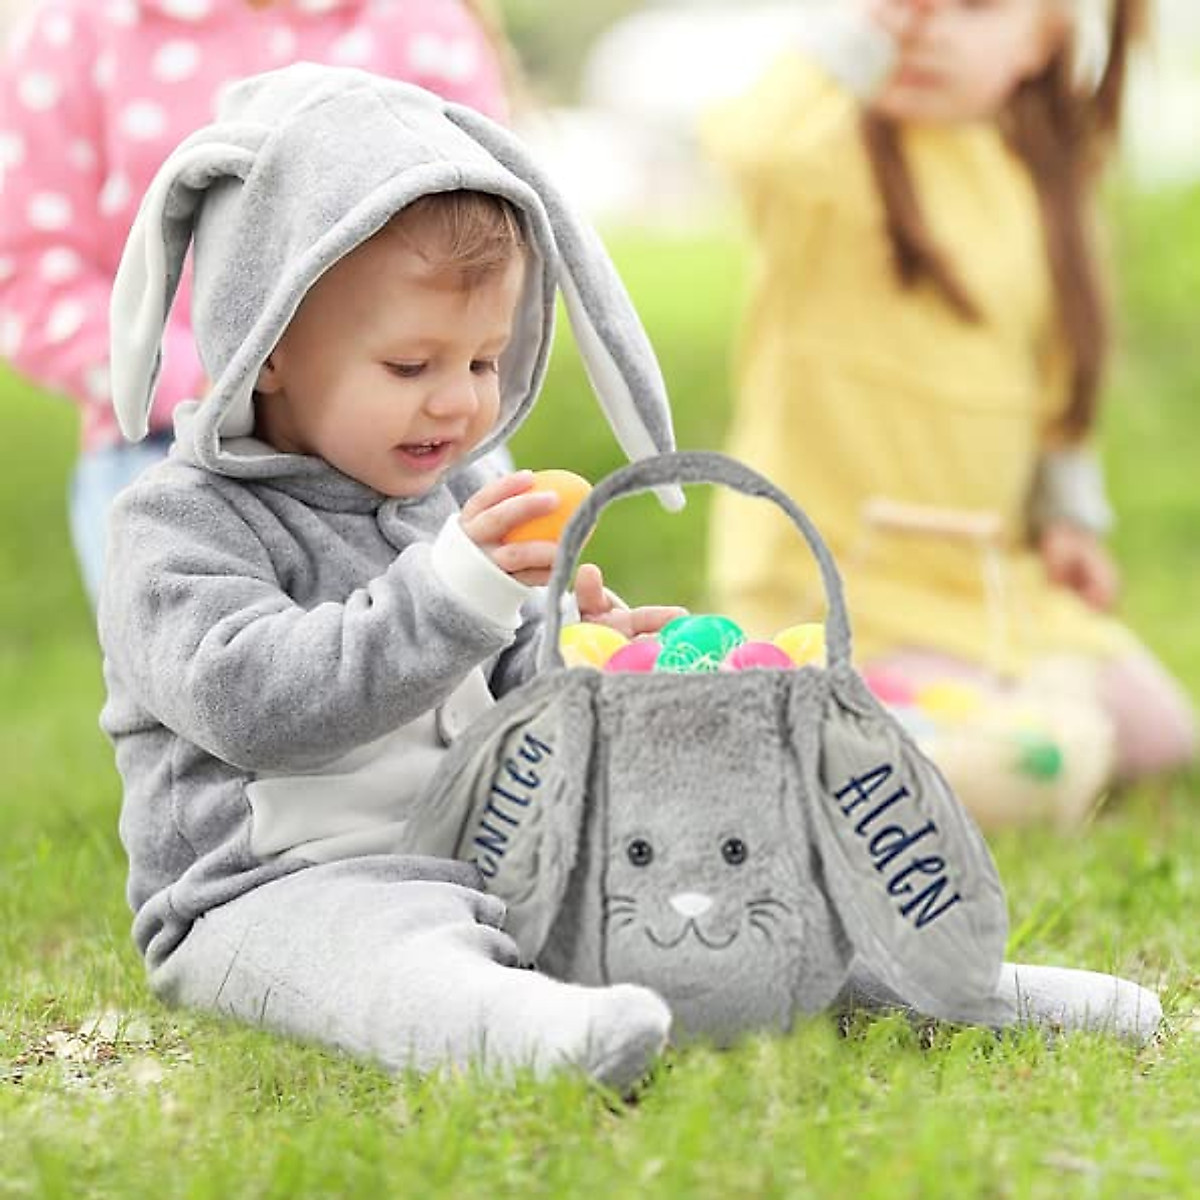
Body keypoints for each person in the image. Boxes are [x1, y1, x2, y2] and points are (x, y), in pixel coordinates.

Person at [95, 63, 695, 1085]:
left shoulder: (461, 487)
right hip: (270, 892)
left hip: (475, 846)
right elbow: (252, 705)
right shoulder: (176, 522)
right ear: (267, 345)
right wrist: (454, 596)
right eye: (411, 367)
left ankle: (936, 978)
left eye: (482, 361)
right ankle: (530, 1037)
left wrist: (569, 653)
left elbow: (492, 690)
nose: (457, 404)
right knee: (393, 956)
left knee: (678, 892)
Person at [703, 0, 1195, 825]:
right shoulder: (830, 151)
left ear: (1043, 38)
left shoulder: (1033, 176)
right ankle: (837, 723)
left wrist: (1068, 518)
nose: (921, 26)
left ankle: (953, 712)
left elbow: (1055, 379)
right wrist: (863, 35)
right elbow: (749, 145)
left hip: (982, 582)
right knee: (1031, 759)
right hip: (838, 585)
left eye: (968, 7)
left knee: (1159, 733)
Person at [0, 0, 516, 604]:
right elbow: (26, 267)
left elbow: (495, 234)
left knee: (490, 638)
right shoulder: (83, 26)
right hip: (167, 441)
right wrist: (216, 374)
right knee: (226, 663)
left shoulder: (416, 23)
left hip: (427, 433)